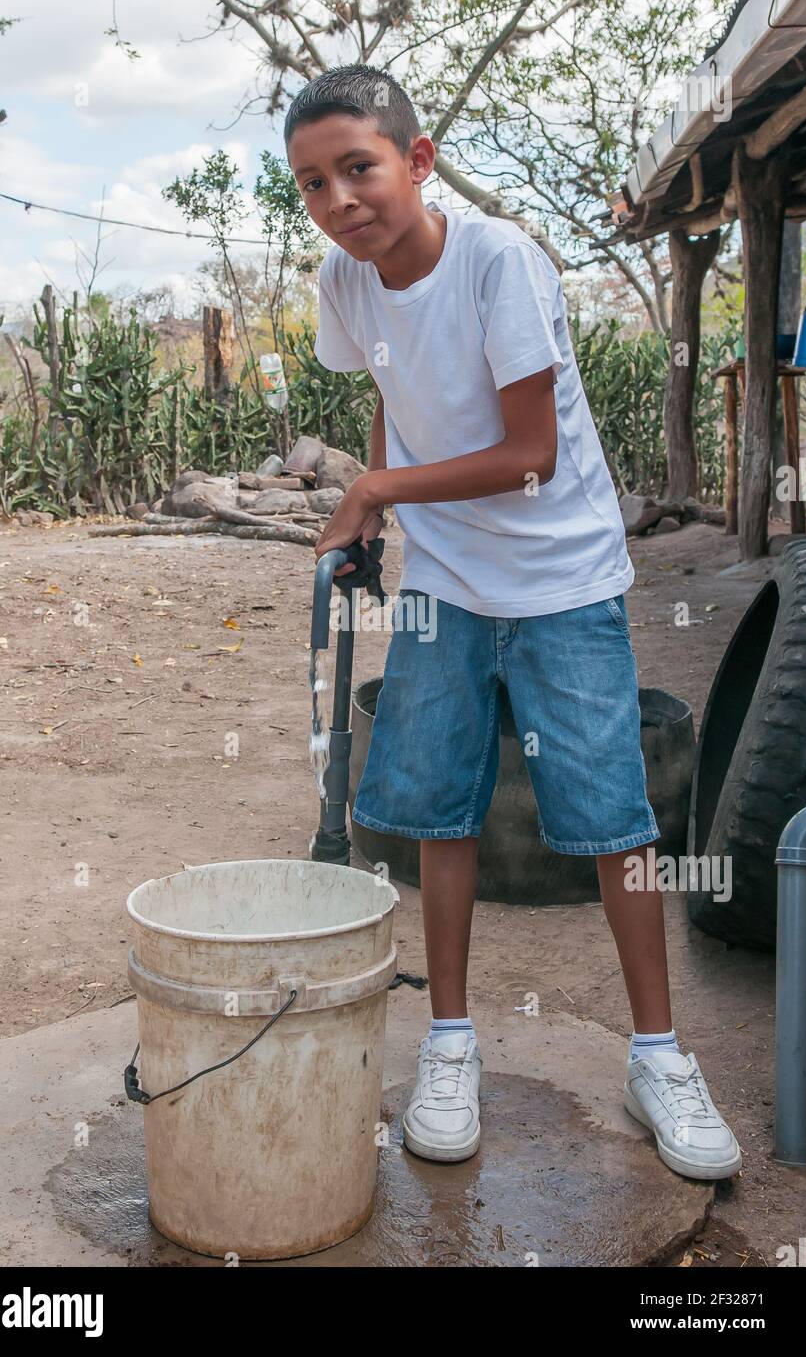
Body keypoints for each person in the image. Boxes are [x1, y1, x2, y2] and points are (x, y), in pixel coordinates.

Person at [285, 63, 742, 1181]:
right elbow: (395, 395)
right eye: (311, 184)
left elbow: (529, 456)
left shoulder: (497, 260)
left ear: (417, 160)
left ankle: (657, 1057)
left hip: (562, 579)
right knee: (441, 808)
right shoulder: (345, 283)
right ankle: (449, 1045)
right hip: (446, 582)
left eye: (358, 169)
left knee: (610, 820)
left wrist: (374, 494)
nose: (339, 200)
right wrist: (385, 523)